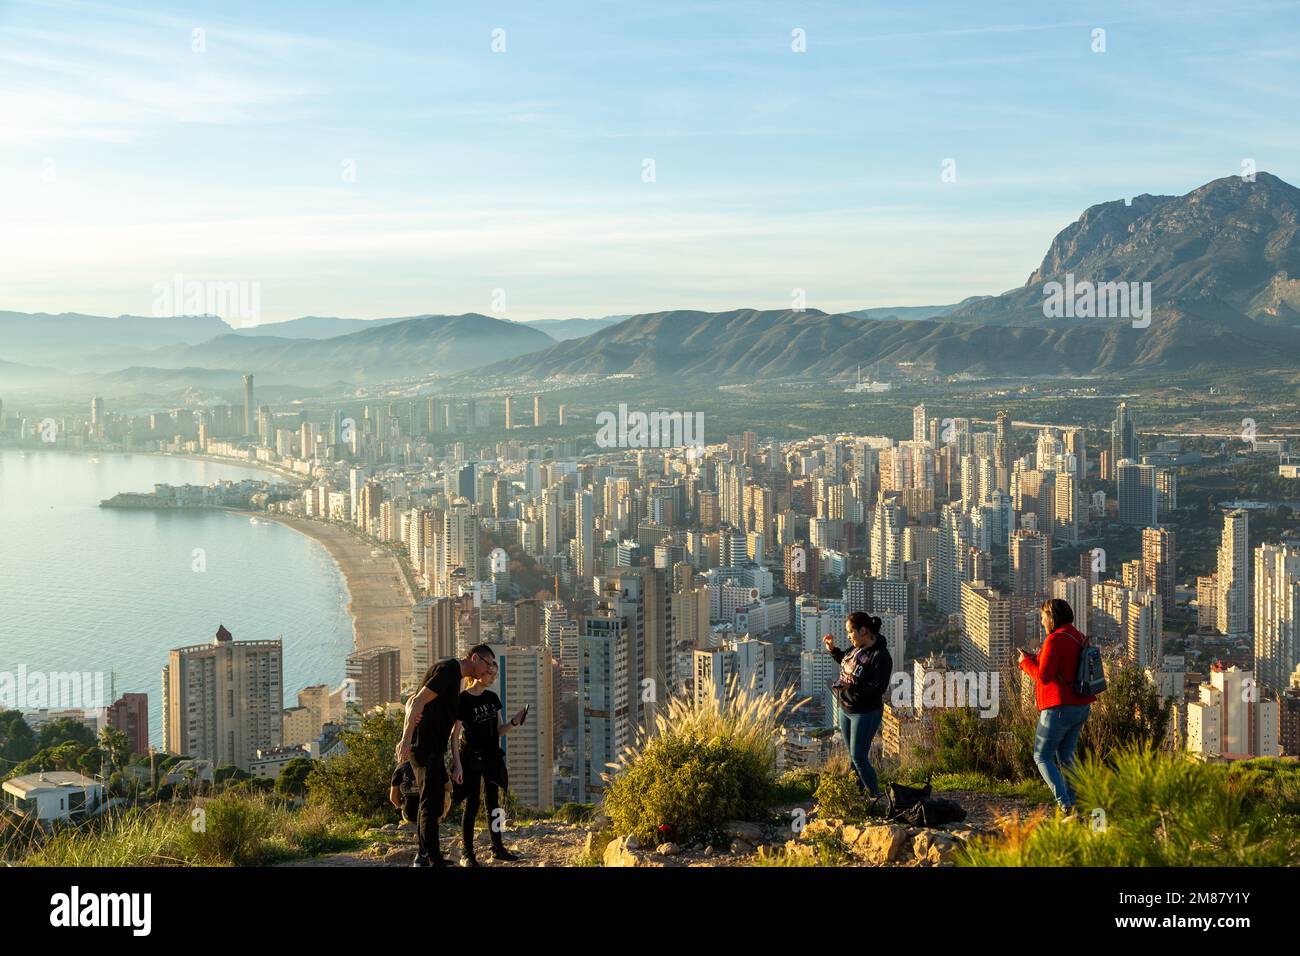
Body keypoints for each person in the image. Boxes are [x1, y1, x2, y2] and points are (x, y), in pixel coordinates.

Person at [395, 644, 496, 867]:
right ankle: (432, 859)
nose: (487, 671)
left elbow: (411, 700)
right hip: (424, 748)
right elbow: (418, 701)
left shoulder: (454, 676)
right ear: (476, 658)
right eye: (487, 665)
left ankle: (424, 857)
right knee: (430, 804)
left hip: (433, 749)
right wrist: (406, 737)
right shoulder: (448, 670)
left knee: (433, 802)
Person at [1017, 598, 1098, 816]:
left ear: (1052, 618)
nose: (1041, 621)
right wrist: (1036, 657)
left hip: (1058, 707)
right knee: (1067, 756)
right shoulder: (1077, 636)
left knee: (1041, 756)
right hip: (1080, 706)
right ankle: (1079, 801)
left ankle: (1065, 804)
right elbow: (1063, 665)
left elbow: (1043, 677)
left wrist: (1025, 663)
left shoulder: (1054, 640)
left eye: (1043, 616)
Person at [449, 658, 529, 866]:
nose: (493, 678)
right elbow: (455, 735)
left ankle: (498, 848)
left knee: (494, 804)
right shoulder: (463, 699)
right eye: (490, 673)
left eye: (495, 674)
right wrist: (457, 764)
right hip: (471, 758)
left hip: (492, 756)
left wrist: (514, 721)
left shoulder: (493, 698)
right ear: (480, 673)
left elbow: (499, 731)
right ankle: (468, 853)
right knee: (472, 804)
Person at [823, 611, 892, 798]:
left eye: (850, 632)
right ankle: (857, 795)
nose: (848, 636)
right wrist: (832, 649)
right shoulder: (856, 648)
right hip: (846, 708)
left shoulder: (880, 656)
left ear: (863, 630)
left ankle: (875, 796)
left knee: (859, 757)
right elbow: (845, 661)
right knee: (854, 758)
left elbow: (879, 688)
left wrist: (852, 685)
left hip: (866, 712)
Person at [389, 759, 419, 828]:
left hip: (410, 815)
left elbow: (392, 798)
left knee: (400, 791)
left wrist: (402, 806)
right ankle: (438, 819)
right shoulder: (430, 763)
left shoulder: (400, 767)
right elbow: (448, 787)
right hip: (429, 814)